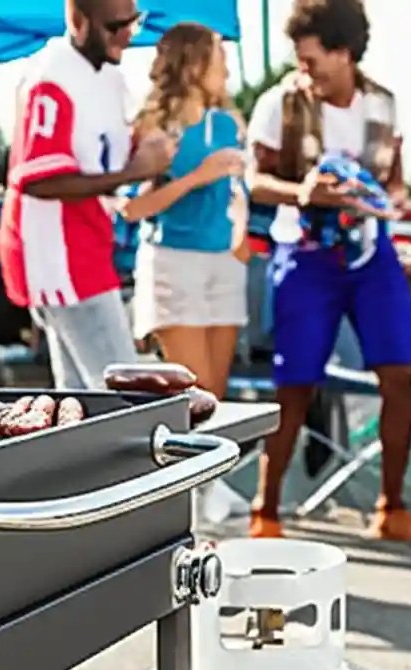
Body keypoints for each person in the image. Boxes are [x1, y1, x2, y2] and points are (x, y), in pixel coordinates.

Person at [245, 0, 411, 544]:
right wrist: (304, 192)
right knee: (295, 382)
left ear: (344, 53)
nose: (303, 70)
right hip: (305, 254)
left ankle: (391, 509)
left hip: (371, 253)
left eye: (311, 60)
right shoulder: (279, 103)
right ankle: (266, 512)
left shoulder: (383, 104)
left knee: (400, 373)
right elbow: (255, 182)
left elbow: (396, 183)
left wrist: (386, 199)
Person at [0, 0, 177, 389]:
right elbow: (37, 180)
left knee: (83, 400)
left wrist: (147, 146)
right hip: (58, 256)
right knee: (122, 393)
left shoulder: (110, 77)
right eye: (115, 26)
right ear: (78, 21)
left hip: (87, 246)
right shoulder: (51, 77)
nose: (128, 35)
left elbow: (110, 154)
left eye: (134, 22)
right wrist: (133, 172)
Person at [121, 23, 250, 399]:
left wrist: (241, 234)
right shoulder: (156, 128)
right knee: (197, 393)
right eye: (219, 60)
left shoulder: (228, 125)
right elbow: (132, 208)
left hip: (225, 263)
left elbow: (237, 191)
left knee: (217, 396)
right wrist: (197, 177)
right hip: (174, 264)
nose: (227, 71)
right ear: (194, 65)